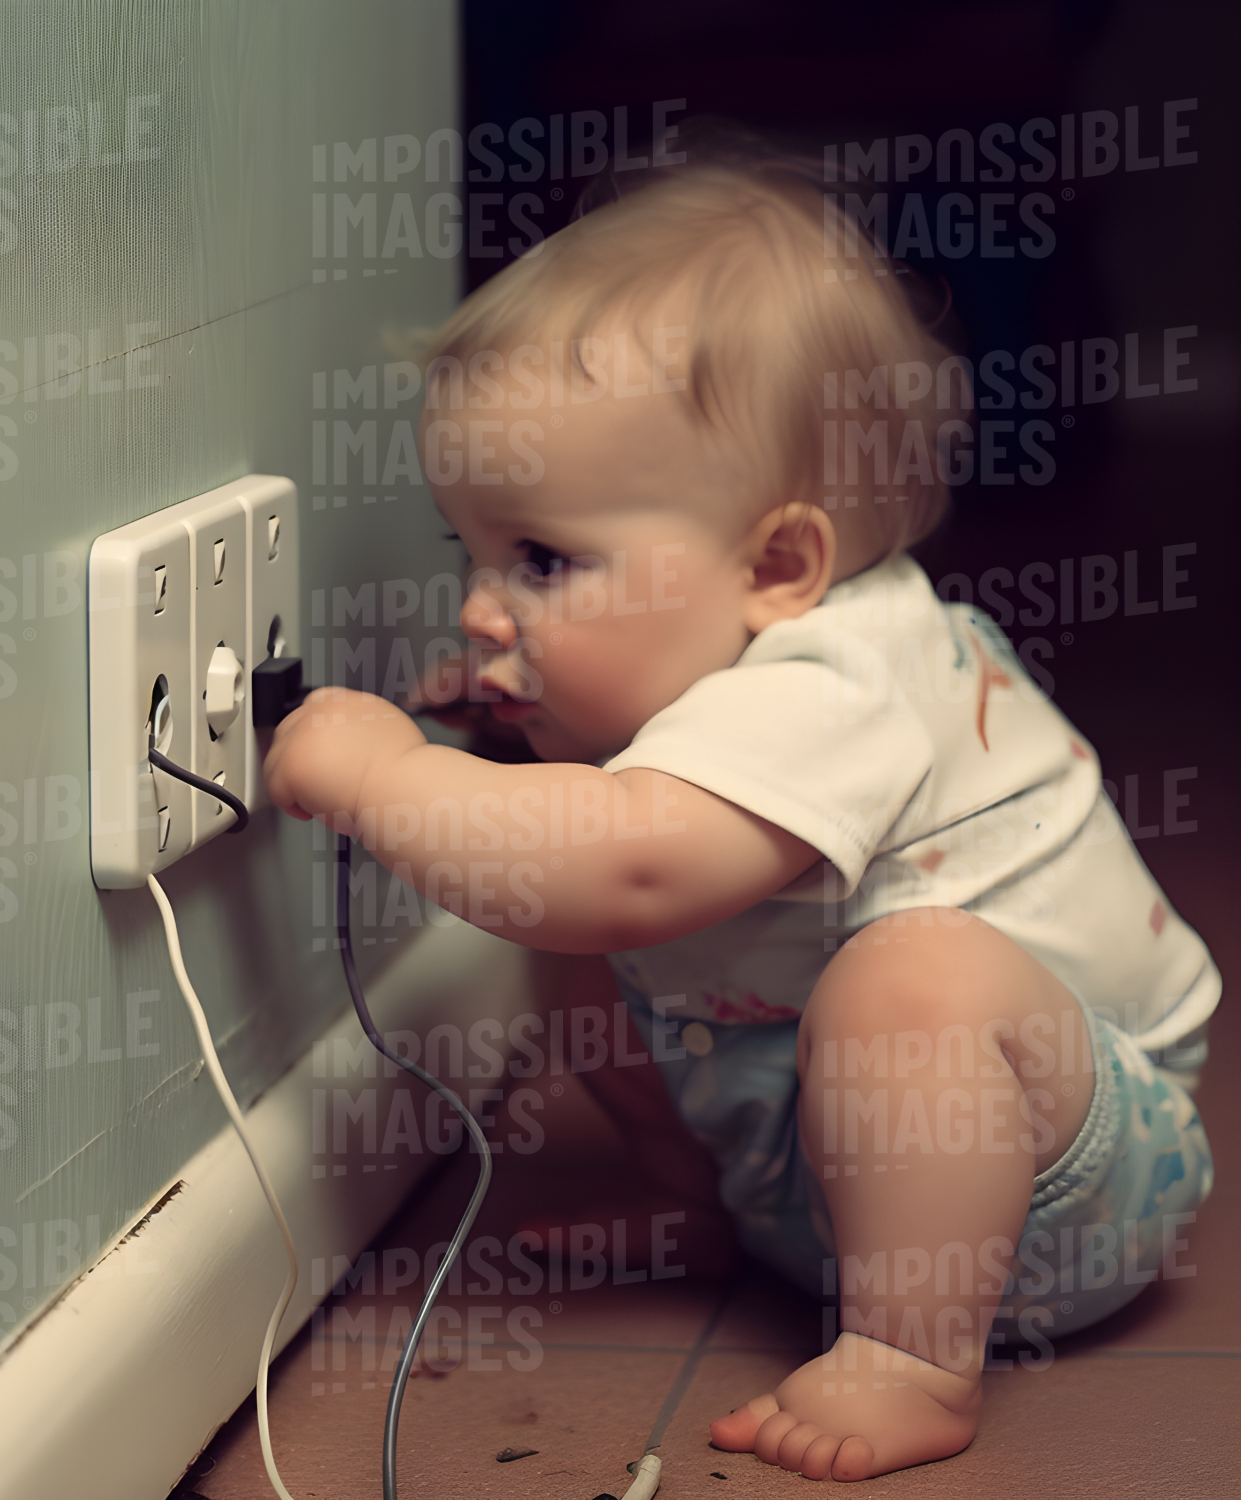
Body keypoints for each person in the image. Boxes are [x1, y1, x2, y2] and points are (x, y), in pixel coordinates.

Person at [263, 144, 1216, 1482]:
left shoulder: (847, 677)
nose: (483, 608)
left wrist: (389, 780)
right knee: (564, 846)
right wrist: (521, 741)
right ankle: (692, 1197)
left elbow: (639, 868)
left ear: (778, 564)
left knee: (904, 968)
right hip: (810, 1164)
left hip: (1053, 1187)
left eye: (542, 560)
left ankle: (908, 1360)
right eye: (468, 553)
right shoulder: (731, 659)